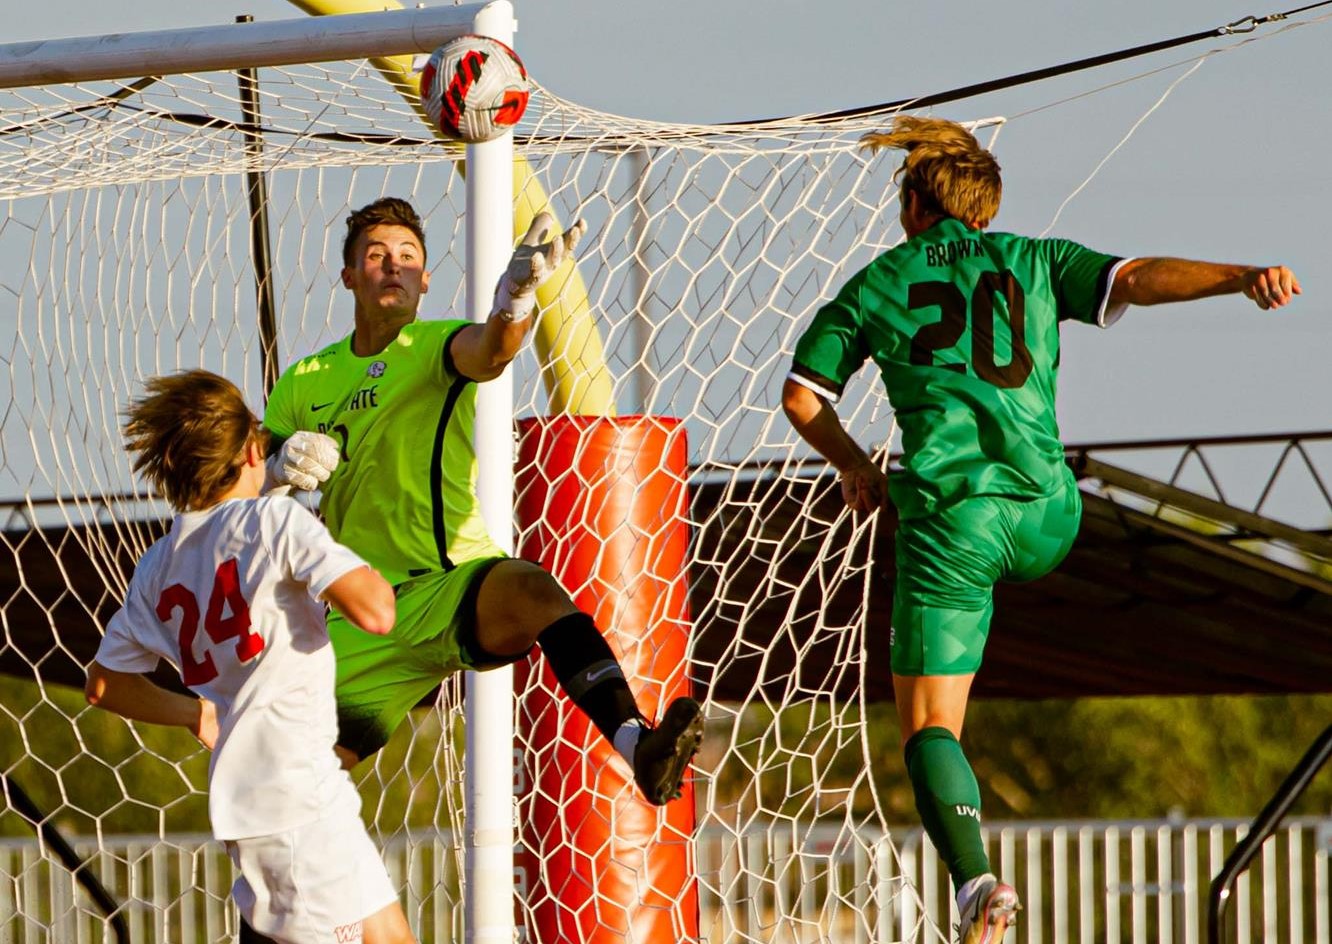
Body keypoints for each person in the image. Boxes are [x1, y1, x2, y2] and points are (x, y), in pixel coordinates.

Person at [781, 116, 1300, 944]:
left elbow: (804, 396)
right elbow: (1134, 278)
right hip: (1051, 513)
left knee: (930, 730)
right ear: (982, 205)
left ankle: (977, 884)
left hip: (958, 524)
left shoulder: (879, 282)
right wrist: (1240, 277)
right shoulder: (1037, 259)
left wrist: (856, 466)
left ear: (917, 200)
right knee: (1001, 550)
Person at [262, 197, 703, 805]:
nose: (394, 266)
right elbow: (242, 486)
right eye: (376, 255)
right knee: (289, 794)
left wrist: (515, 301)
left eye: (408, 256)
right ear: (348, 276)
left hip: (450, 584)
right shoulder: (305, 379)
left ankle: (637, 745)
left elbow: (492, 349)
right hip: (359, 610)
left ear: (424, 278)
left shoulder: (434, 346)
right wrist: (275, 467)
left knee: (531, 589)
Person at [85, 370, 416, 944]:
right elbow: (377, 611)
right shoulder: (273, 521)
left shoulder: (159, 563)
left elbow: (105, 685)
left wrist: (195, 713)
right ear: (253, 449)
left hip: (279, 797)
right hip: (296, 802)